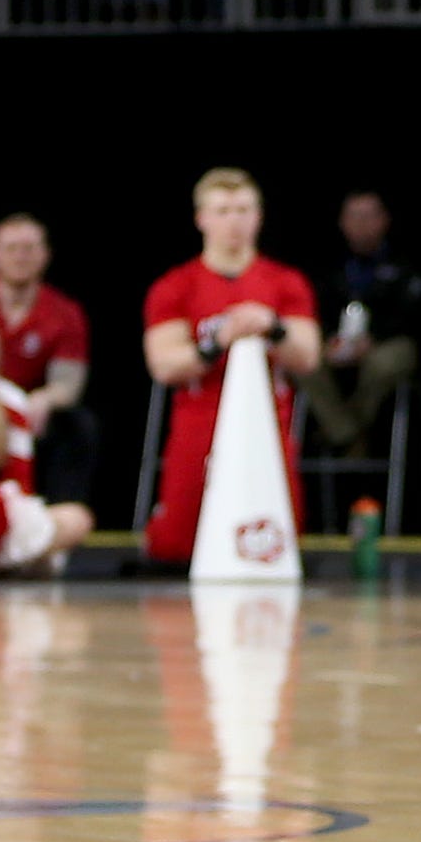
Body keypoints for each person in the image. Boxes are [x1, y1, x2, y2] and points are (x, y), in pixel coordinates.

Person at [140, 169, 323, 567]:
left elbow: (308, 354)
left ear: (258, 216)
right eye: (222, 211)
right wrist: (214, 343)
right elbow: (164, 363)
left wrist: (272, 327)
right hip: (200, 418)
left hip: (268, 422)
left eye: (243, 210)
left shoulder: (284, 282)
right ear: (202, 218)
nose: (234, 221)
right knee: (175, 547)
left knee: (273, 543)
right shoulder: (177, 285)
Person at [0, 216, 93, 553]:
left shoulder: (63, 312)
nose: (20, 256)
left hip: (23, 411)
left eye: (29, 248)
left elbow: (68, 383)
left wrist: (40, 401)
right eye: (11, 248)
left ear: (45, 255)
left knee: (79, 426)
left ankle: (47, 538)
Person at [300, 192, 421, 461]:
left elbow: (416, 315)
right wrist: (330, 339)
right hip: (338, 342)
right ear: (342, 222)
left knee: (384, 362)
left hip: (386, 343)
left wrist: (375, 338)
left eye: (369, 216)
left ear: (384, 220)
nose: (361, 223)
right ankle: (347, 433)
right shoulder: (326, 264)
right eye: (354, 216)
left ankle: (348, 427)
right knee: (302, 359)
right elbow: (313, 311)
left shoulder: (405, 261)